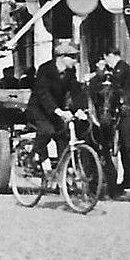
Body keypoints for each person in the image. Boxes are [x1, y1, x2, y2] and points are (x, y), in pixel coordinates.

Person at [25, 40, 89, 170]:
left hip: (57, 110)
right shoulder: (45, 69)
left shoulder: (70, 72)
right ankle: (33, 154)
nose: (75, 61)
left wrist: (79, 109)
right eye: (72, 57)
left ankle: (63, 173)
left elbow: (76, 91)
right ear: (61, 57)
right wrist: (58, 111)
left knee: (63, 136)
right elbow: (43, 94)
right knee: (47, 131)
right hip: (39, 109)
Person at [98, 45, 130, 193]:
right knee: (124, 145)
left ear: (110, 55)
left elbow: (115, 84)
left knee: (129, 145)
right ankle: (129, 178)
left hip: (129, 110)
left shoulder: (121, 67)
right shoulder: (120, 67)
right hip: (125, 111)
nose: (107, 62)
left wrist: (103, 74)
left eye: (106, 59)